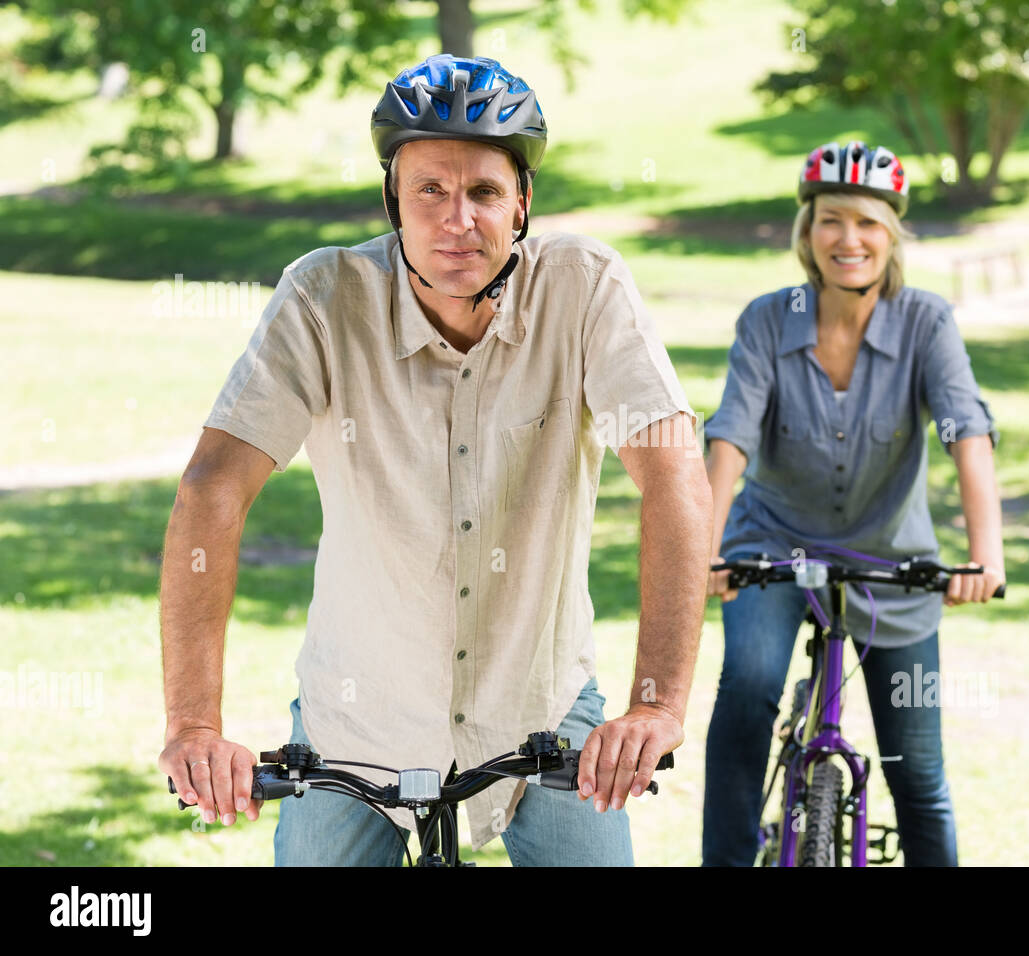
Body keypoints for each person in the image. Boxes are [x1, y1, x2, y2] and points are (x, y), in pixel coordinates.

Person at [156, 54, 712, 866]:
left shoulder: (585, 289)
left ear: (522, 204)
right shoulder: (322, 299)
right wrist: (194, 725)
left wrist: (655, 704)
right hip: (357, 718)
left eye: (484, 192)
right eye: (431, 192)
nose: (459, 220)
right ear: (393, 202)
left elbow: (673, 476)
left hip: (542, 706)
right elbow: (212, 488)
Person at [700, 140, 1005, 867]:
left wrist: (984, 556)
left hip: (893, 566)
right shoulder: (768, 321)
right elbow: (731, 441)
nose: (849, 239)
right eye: (831, 220)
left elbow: (968, 432)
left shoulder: (926, 321)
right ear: (807, 232)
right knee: (745, 701)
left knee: (917, 772)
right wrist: (704, 552)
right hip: (772, 551)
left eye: (868, 222)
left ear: (892, 235)